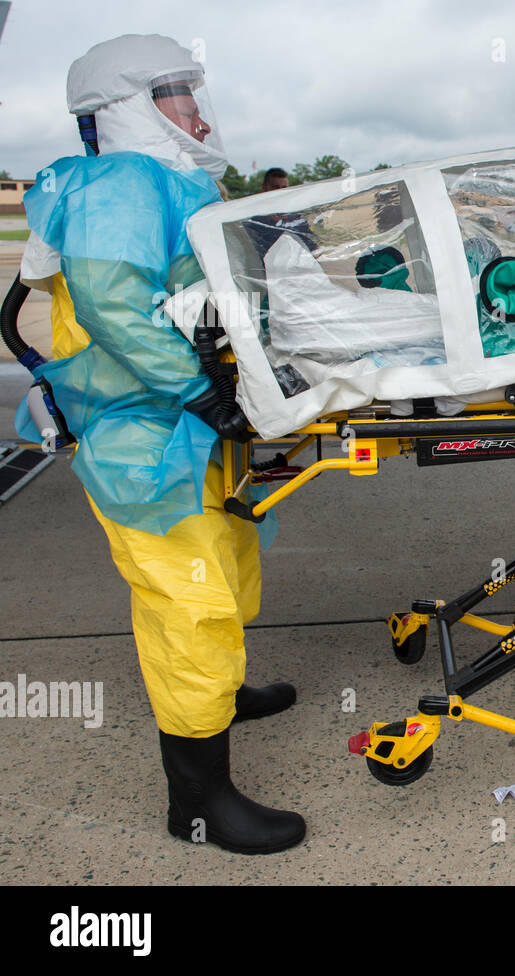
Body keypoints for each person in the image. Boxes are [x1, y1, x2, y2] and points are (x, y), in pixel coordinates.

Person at [16, 34, 304, 853]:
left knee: (231, 557)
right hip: (140, 435)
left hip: (187, 429)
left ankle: (225, 692)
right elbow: (111, 306)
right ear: (127, 105)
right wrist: (201, 391)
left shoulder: (168, 185)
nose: (199, 112)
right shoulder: (119, 182)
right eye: (179, 94)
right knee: (189, 601)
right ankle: (200, 802)